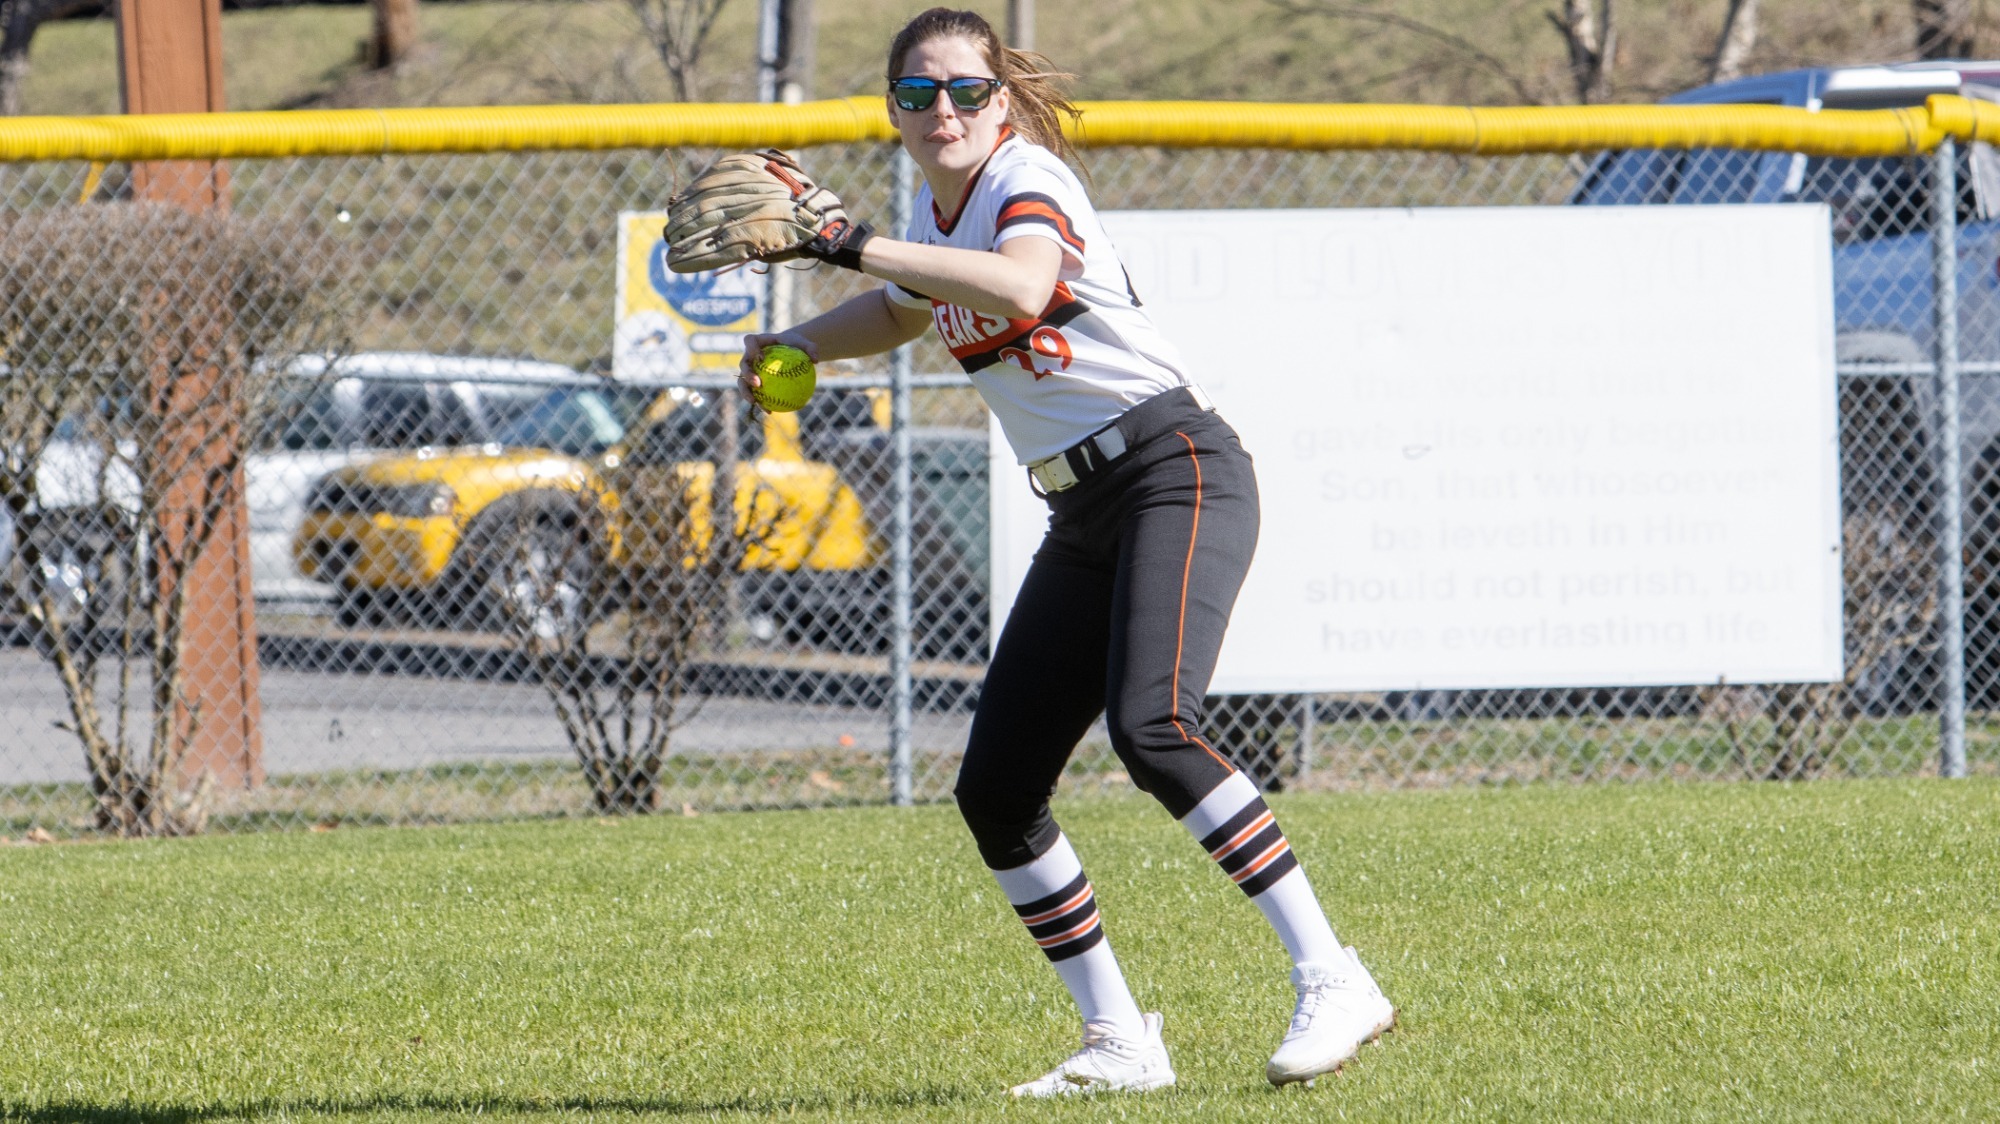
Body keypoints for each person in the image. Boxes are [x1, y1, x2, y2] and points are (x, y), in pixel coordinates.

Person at [735, 6, 1396, 1096]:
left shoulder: (1023, 176)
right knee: (997, 791)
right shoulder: (934, 207)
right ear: (893, 110)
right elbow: (904, 309)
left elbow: (1022, 284)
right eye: (917, 93)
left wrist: (845, 239)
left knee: (1154, 727)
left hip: (1174, 469)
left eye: (964, 90)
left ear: (999, 101)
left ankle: (1334, 975)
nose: (942, 110)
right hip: (1082, 509)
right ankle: (1120, 1040)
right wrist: (797, 339)